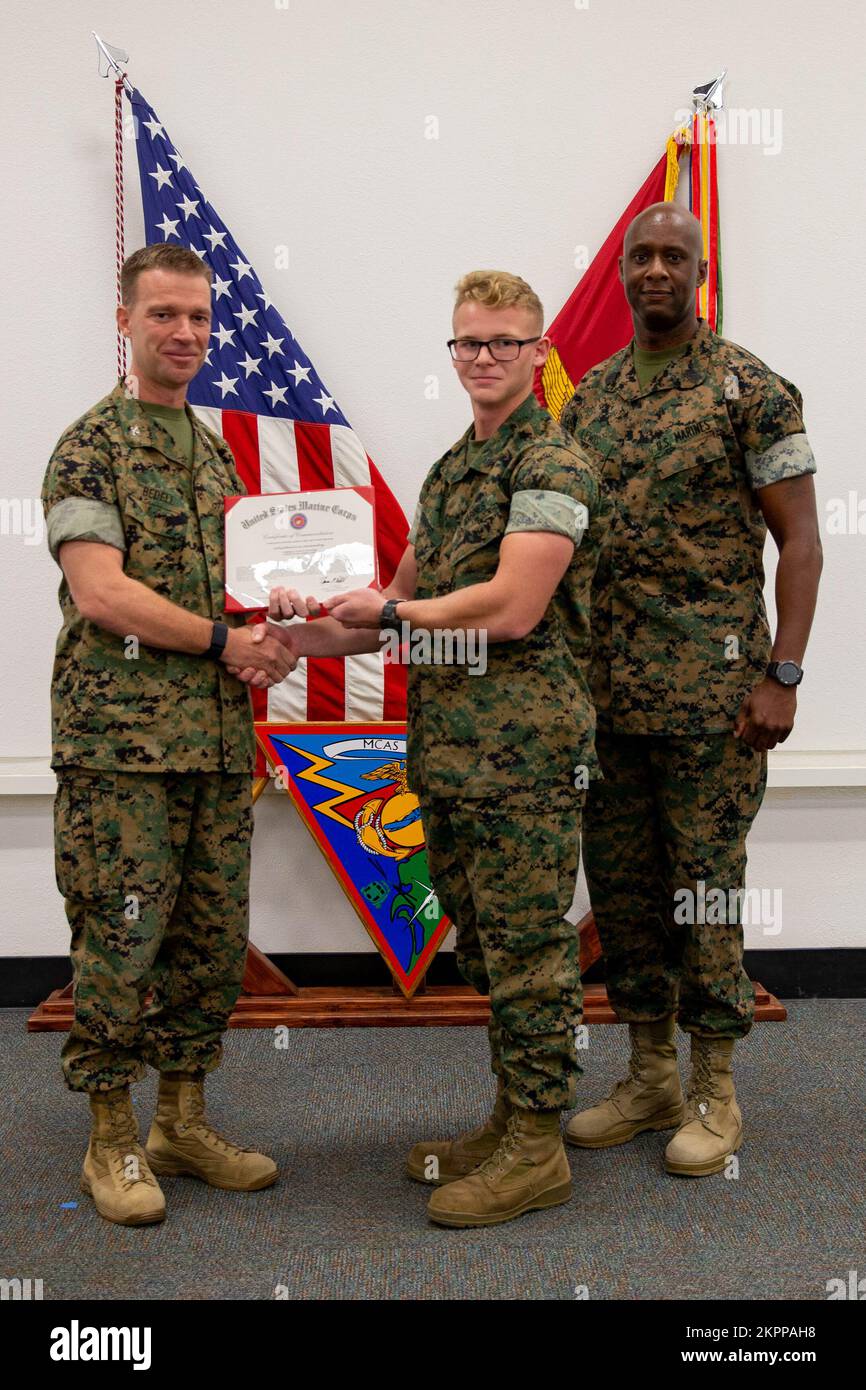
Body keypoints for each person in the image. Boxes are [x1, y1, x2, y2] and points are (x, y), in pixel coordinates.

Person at [259, 270, 606, 1227]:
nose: (484, 359)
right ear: (451, 353)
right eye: (467, 343)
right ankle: (511, 1119)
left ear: (540, 354)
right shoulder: (454, 472)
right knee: (489, 950)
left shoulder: (554, 467)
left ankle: (540, 1148)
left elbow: (511, 606)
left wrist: (394, 611)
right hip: (451, 756)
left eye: (504, 342)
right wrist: (296, 626)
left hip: (526, 754)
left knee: (533, 951)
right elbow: (382, 622)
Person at [559, 203, 822, 1176]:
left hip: (716, 705)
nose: (655, 268)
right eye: (642, 255)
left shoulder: (750, 390)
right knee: (623, 899)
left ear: (698, 271)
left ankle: (715, 1089)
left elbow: (800, 538)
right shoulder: (587, 397)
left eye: (673, 255)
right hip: (608, 702)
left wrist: (781, 674)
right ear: (623, 272)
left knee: (703, 897)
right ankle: (648, 1075)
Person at [42, 244, 295, 1225]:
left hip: (216, 743)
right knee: (120, 936)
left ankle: (181, 1121)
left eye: (197, 317)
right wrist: (234, 641)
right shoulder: (87, 446)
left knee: (205, 942)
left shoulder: (214, 450)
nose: (184, 333)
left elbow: (240, 589)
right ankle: (111, 1139)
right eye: (163, 316)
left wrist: (286, 625)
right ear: (127, 320)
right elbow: (102, 592)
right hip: (121, 746)